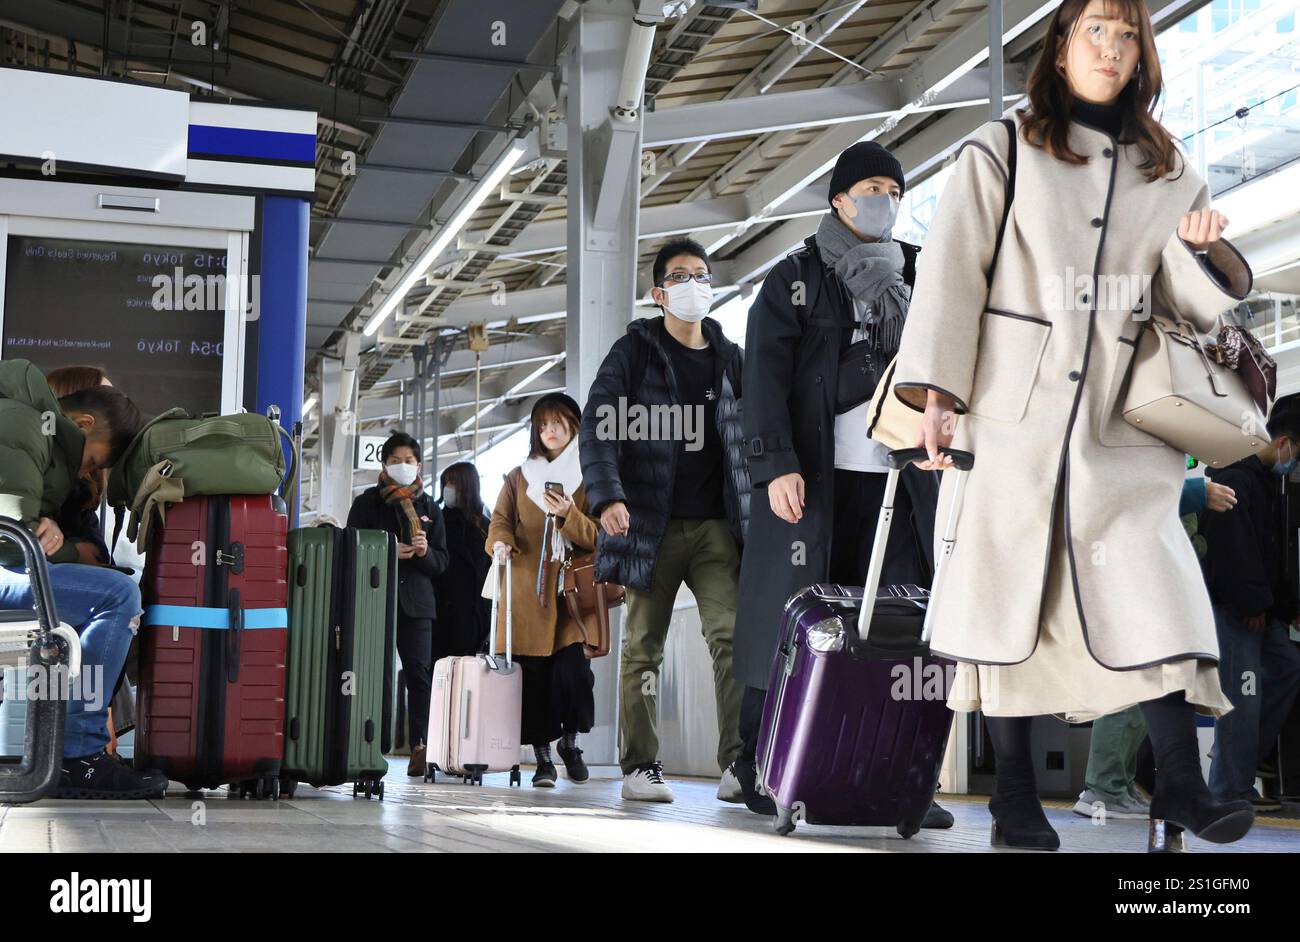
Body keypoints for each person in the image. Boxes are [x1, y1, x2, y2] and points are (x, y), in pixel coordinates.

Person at [892, 0, 1257, 850]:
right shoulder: (1001, 148)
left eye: (1129, 34)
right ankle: (1014, 799)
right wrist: (936, 396)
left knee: (1156, 587)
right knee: (1004, 602)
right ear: (1060, 48)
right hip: (1008, 420)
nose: (1113, 45)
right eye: (1096, 27)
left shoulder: (1173, 174)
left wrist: (1203, 258)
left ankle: (1180, 786)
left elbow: (1188, 316)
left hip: (1119, 430)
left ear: (1142, 56)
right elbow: (951, 273)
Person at [735, 143, 951, 826]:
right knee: (788, 619)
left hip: (904, 481)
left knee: (899, 628)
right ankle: (758, 763)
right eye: (869, 186)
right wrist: (774, 465)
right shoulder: (795, 277)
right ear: (838, 199)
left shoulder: (922, 270)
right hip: (815, 482)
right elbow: (762, 382)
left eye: (893, 185)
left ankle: (903, 776)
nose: (883, 197)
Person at [579, 238, 751, 804]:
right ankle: (641, 766)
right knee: (644, 646)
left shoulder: (731, 357)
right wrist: (606, 497)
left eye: (701, 275)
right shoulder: (633, 353)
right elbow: (599, 424)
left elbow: (754, 435)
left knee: (730, 639)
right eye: (680, 276)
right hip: (648, 524)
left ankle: (738, 763)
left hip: (715, 528)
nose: (693, 284)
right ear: (658, 293)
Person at [0, 358, 164, 798]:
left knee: (112, 594)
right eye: (93, 458)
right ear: (84, 421)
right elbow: (7, 537)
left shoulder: (31, 426)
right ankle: (77, 756)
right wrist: (67, 546)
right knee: (116, 596)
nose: (86, 469)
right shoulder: (25, 425)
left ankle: (75, 750)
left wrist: (48, 527)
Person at [1073, 475, 1238, 820]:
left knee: (1145, 686)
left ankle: (1117, 782)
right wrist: (1195, 492)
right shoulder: (1138, 433)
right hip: (1138, 573)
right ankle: (1104, 787)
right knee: (1134, 688)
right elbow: (1127, 490)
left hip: (1144, 571)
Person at [488, 394, 600, 787]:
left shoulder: (592, 473)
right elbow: (500, 520)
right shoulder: (520, 476)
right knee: (533, 678)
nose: (549, 431)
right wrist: (501, 543)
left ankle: (570, 742)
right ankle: (542, 759)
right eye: (542, 425)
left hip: (570, 593)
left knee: (572, 673)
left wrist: (569, 515)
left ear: (574, 425)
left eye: (557, 423)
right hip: (525, 591)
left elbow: (599, 534)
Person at [1202, 399, 1300, 812]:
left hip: (1263, 609)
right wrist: (1252, 603)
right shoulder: (1234, 479)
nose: (1293, 464)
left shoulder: (1264, 481)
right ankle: (1229, 789)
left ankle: (1236, 760)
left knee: (1286, 668)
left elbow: (1269, 552)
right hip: (1237, 610)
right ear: (1283, 442)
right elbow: (1232, 551)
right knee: (1243, 696)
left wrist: (1285, 604)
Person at [346, 432, 448, 779]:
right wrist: (387, 550)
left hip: (417, 604)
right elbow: (352, 548)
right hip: (375, 598)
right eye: (396, 460)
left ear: (419, 465)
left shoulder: (430, 507)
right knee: (372, 672)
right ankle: (367, 743)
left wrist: (423, 553)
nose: (402, 466)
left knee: (419, 675)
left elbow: (441, 563)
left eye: (409, 460)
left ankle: (420, 745)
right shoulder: (366, 503)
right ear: (384, 463)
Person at [44, 365, 133, 756]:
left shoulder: (77, 477)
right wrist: (74, 553)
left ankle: (91, 746)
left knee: (121, 601)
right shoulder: (46, 464)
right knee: (118, 599)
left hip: (34, 575)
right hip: (20, 575)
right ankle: (83, 751)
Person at [433, 461, 492, 664]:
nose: (448, 489)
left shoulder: (485, 527)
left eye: (453, 483)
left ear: (467, 487)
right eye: (445, 483)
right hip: (442, 613)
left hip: (475, 615)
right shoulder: (437, 522)